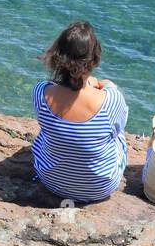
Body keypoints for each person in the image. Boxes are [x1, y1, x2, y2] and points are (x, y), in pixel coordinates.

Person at [31, 20, 130, 203]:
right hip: (98, 189)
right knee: (117, 132)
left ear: (57, 56)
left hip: (51, 181)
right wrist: (108, 85)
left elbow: (65, 89)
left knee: (45, 133)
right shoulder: (110, 101)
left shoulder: (40, 92)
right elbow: (117, 129)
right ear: (94, 58)